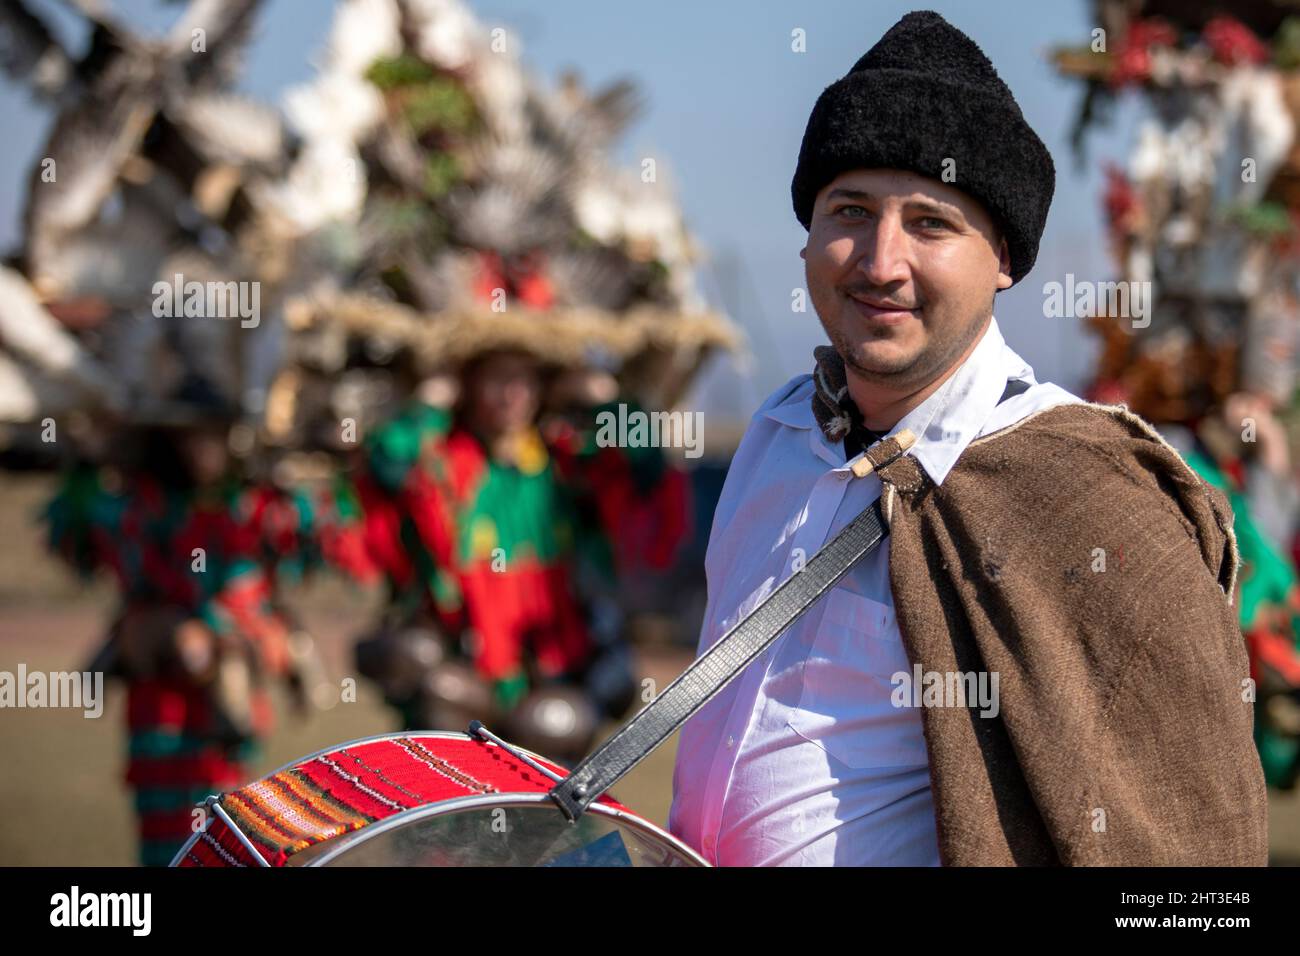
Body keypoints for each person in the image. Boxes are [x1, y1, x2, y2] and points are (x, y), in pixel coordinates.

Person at [668, 10, 1267, 866]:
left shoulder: (1090, 499)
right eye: (850, 210)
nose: (879, 262)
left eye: (930, 223)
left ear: (1005, 260)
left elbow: (1189, 852)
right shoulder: (776, 434)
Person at [328, 346, 689, 763]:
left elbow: (646, 465)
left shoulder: (563, 461)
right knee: (433, 693)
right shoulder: (441, 459)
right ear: (469, 386)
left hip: (549, 674)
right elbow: (384, 466)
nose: (511, 395)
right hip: (461, 668)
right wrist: (428, 404)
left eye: (523, 380)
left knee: (560, 734)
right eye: (496, 379)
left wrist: (605, 397)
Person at [44, 378, 319, 865]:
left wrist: (287, 476)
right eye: (190, 435)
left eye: (213, 434)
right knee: (165, 842)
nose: (203, 448)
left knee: (233, 831)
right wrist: (87, 462)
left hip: (230, 706)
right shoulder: (139, 505)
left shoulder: (250, 505)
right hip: (161, 704)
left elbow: (305, 541)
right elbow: (79, 533)